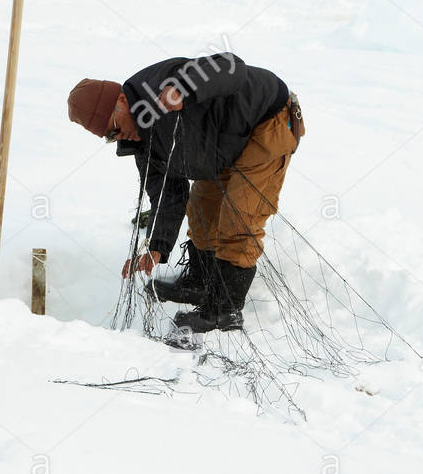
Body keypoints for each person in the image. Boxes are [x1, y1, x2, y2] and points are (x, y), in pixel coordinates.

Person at [67, 53, 304, 333]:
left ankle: (224, 309)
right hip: (226, 143)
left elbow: (231, 66)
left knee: (239, 218)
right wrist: (157, 247)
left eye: (114, 128)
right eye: (109, 137)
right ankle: (200, 282)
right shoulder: (141, 142)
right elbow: (167, 194)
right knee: (201, 208)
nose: (118, 137)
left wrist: (184, 89)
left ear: (121, 100)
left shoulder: (162, 83)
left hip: (269, 122)